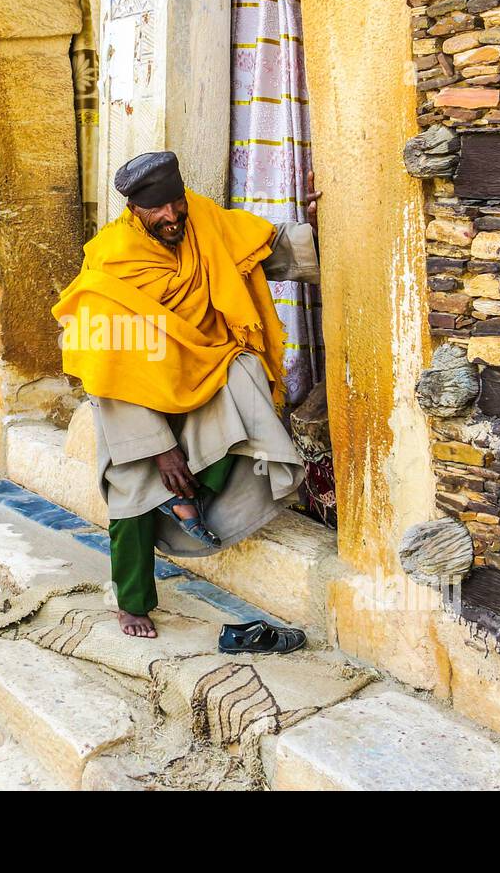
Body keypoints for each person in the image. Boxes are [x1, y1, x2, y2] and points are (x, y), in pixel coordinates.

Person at [52, 151, 321, 646]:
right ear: (135, 211)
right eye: (160, 211)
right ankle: (132, 600)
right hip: (131, 396)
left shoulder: (203, 221)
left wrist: (316, 223)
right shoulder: (109, 262)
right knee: (132, 485)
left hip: (199, 369)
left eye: (177, 204)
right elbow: (105, 367)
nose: (173, 218)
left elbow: (263, 247)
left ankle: (188, 496)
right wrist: (160, 447)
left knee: (245, 371)